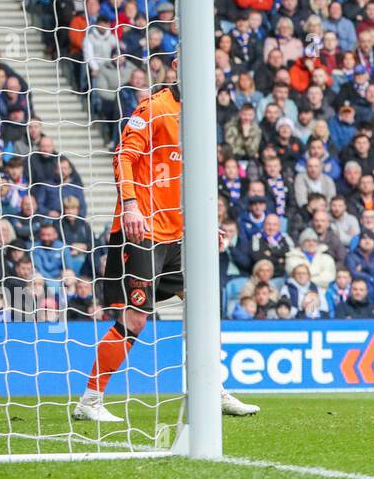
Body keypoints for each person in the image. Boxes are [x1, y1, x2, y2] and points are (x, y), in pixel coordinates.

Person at [73, 69, 259, 422]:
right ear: (179, 68)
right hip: (143, 229)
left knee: (204, 308)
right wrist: (130, 205)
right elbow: (122, 157)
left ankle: (212, 391)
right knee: (136, 319)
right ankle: (90, 401)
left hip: (178, 234)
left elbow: (189, 180)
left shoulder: (200, 118)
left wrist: (206, 224)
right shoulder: (154, 108)